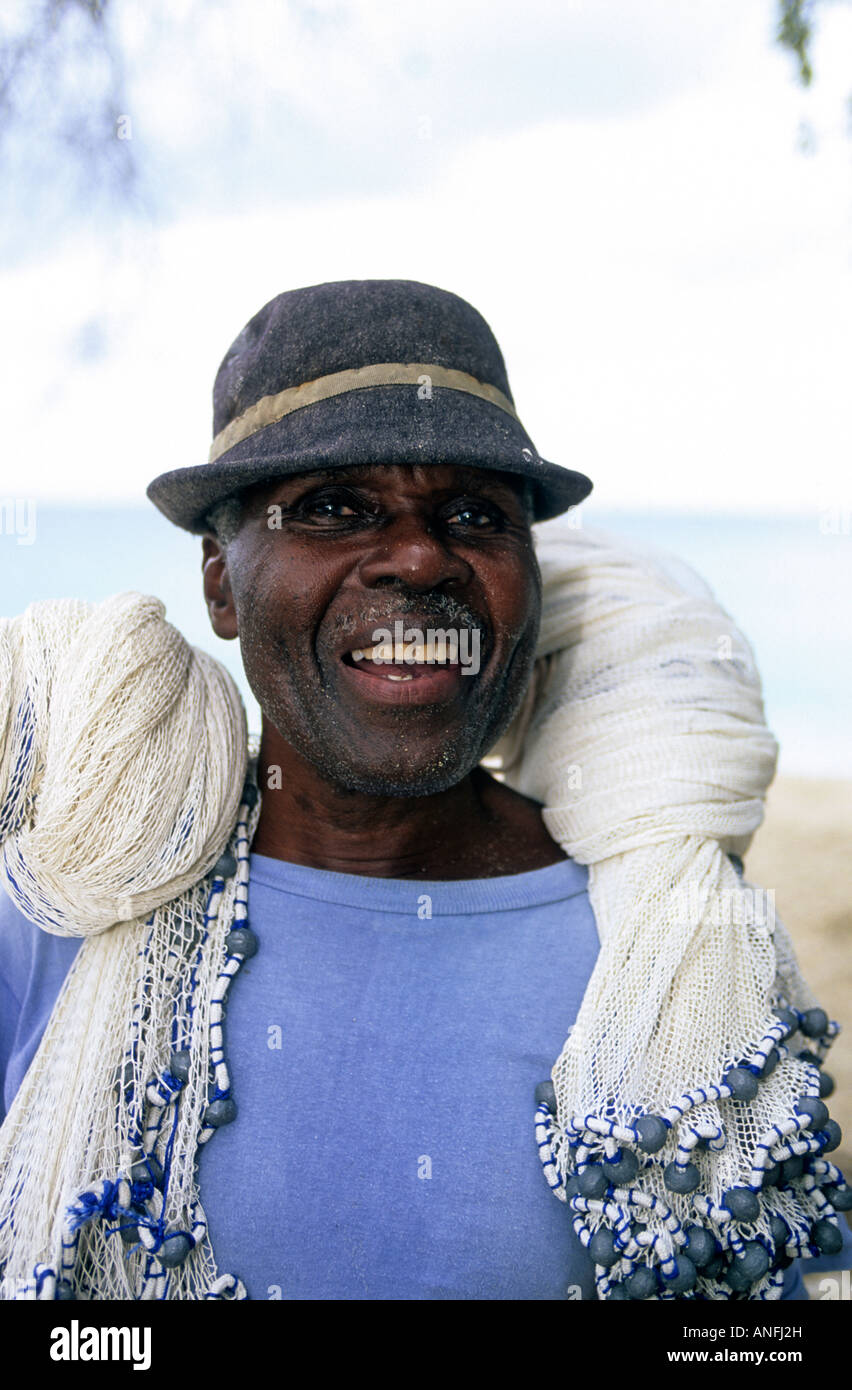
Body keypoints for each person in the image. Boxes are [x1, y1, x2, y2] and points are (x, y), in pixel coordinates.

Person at [0, 280, 847, 1300]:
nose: (417, 555)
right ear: (221, 582)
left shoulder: (675, 948)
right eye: (332, 508)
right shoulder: (66, 911)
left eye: (474, 514)